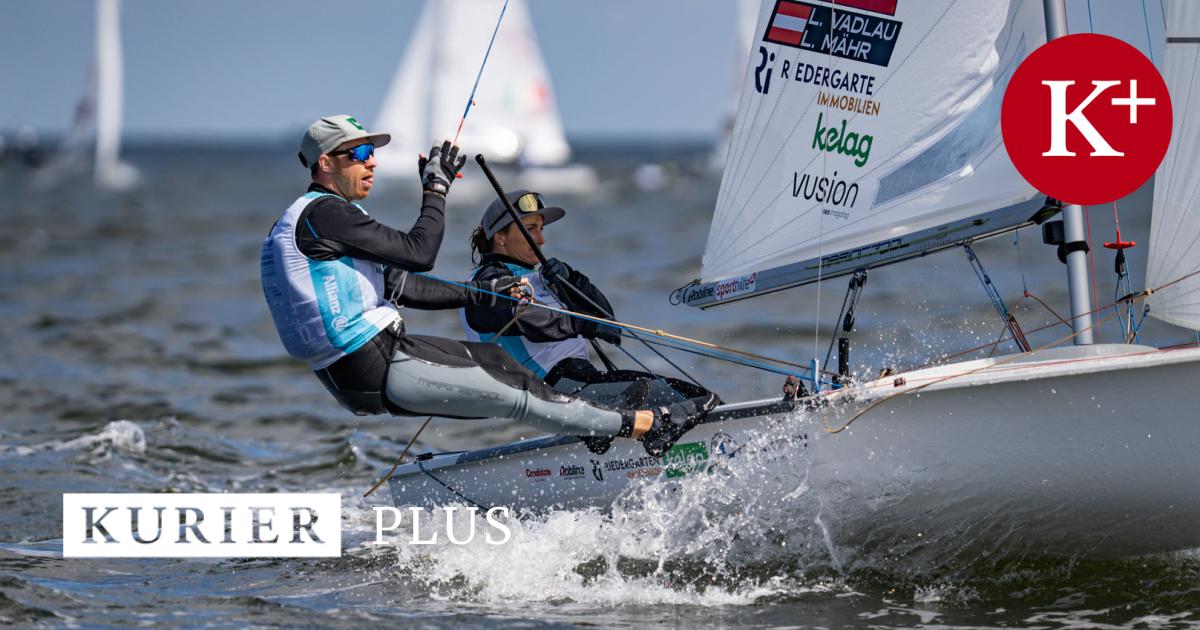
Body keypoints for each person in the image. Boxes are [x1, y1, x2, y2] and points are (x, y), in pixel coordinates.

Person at [260, 115, 716, 456]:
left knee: (503, 368)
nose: (371, 162)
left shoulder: (327, 225)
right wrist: (436, 190)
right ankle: (636, 426)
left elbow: (405, 285)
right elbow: (420, 253)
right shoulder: (323, 213)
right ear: (324, 163)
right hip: (370, 361)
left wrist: (556, 285)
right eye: (358, 154)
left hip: (355, 371)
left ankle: (618, 428)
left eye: (372, 152)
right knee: (515, 389)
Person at [461, 191, 714, 409]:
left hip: (582, 380)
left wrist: (572, 280)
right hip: (551, 391)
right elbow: (517, 318)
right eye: (530, 230)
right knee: (668, 397)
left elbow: (609, 326)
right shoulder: (489, 281)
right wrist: (578, 323)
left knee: (697, 397)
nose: (541, 239)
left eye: (541, 229)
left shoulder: (540, 276)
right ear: (500, 237)